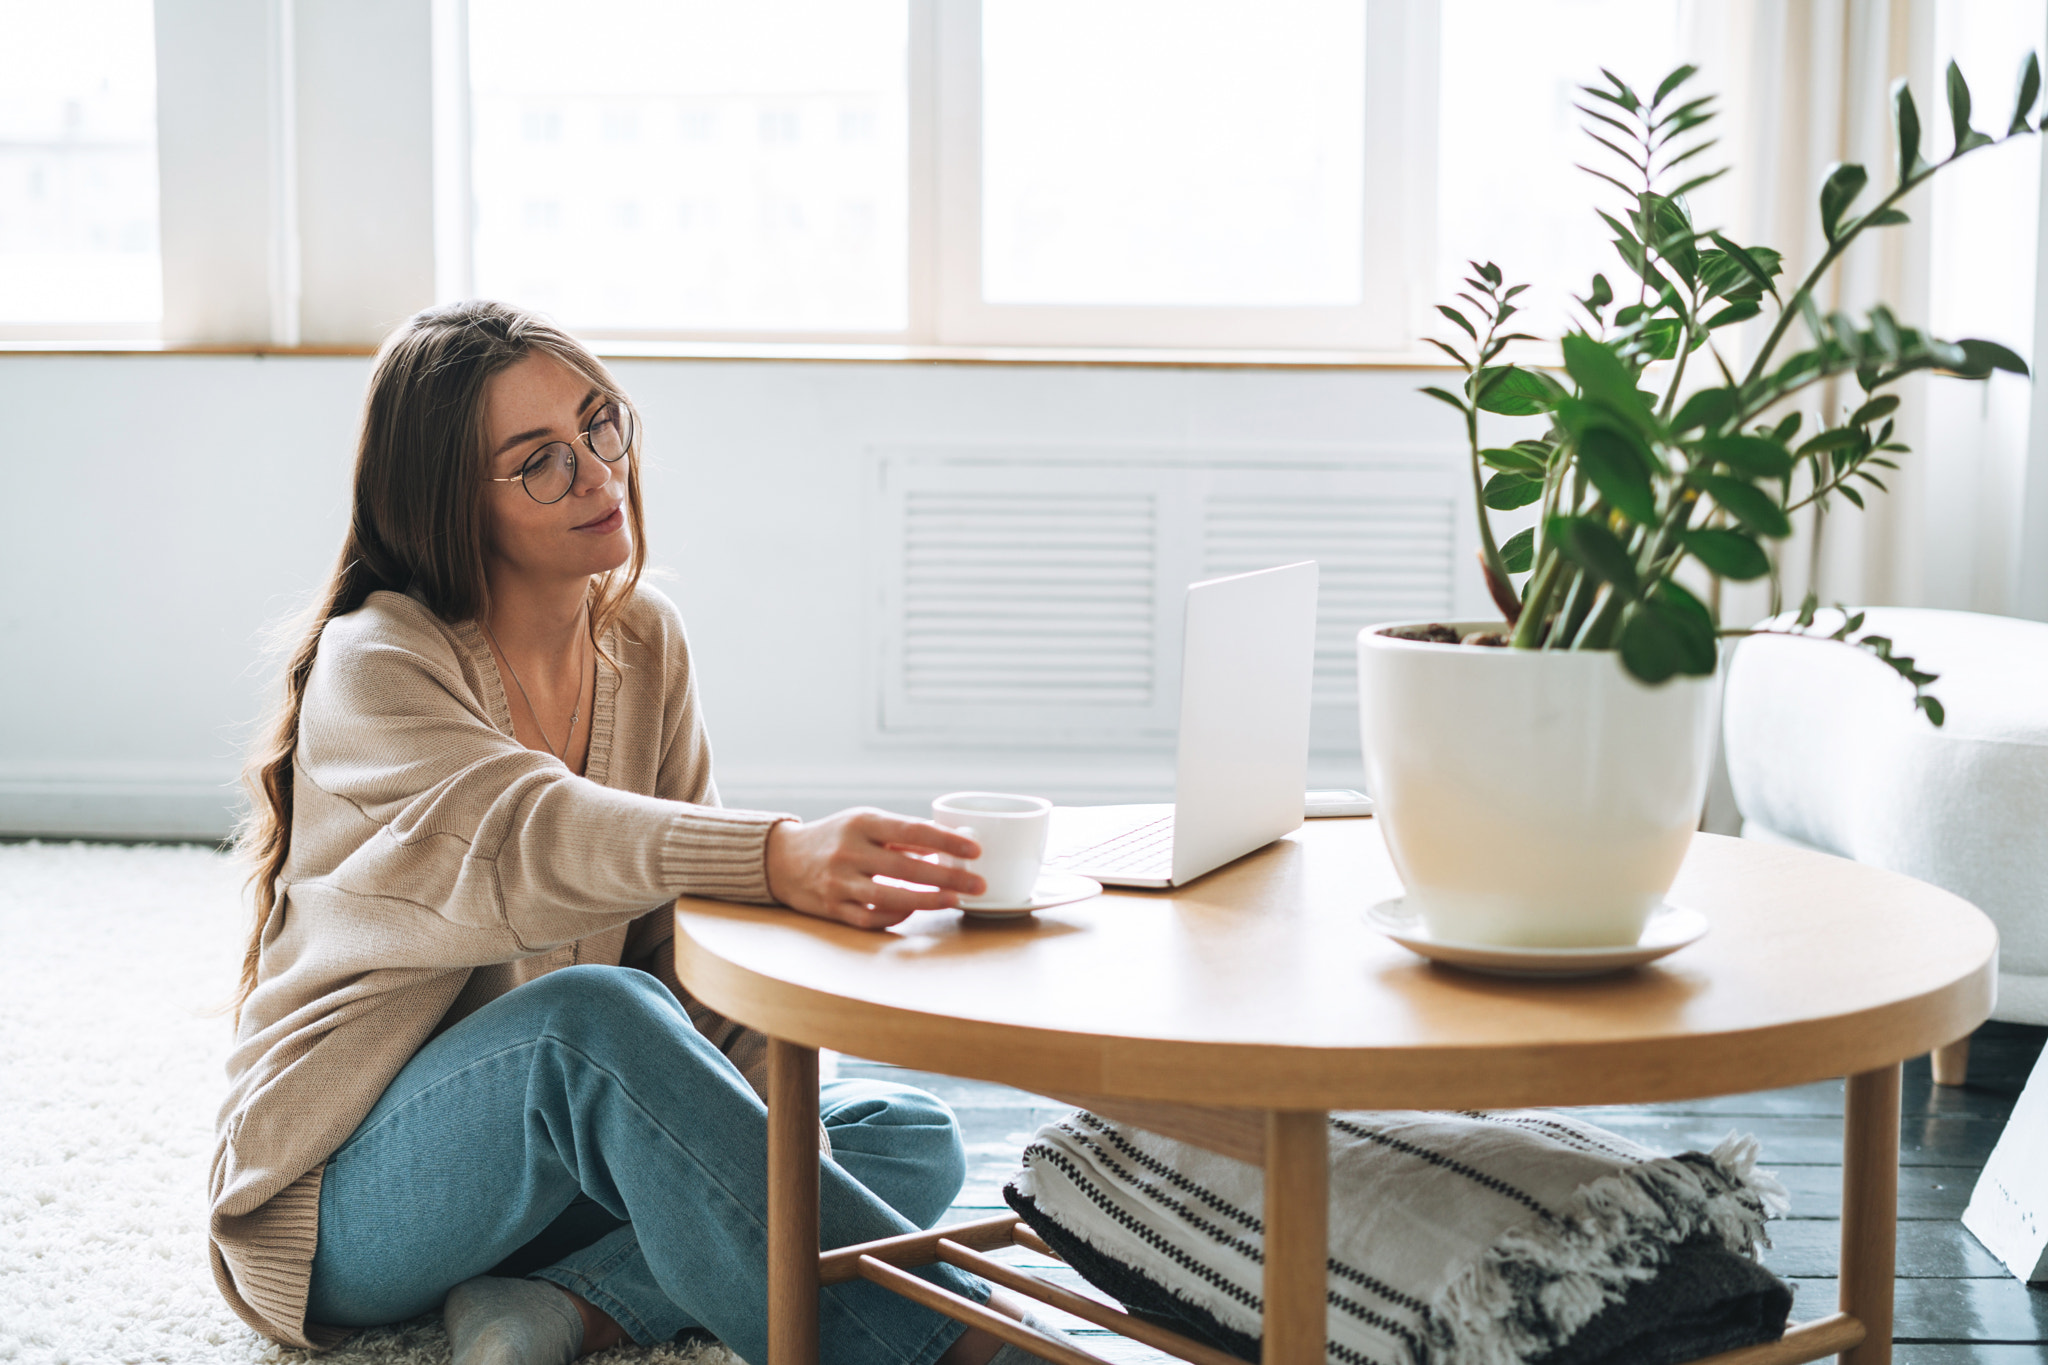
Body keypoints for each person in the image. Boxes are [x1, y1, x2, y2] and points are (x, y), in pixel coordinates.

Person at [213, 301, 1062, 1365]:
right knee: (589, 1022)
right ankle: (958, 1350)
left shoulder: (644, 638)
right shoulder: (378, 661)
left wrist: (754, 1132)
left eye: (599, 425)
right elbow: (528, 831)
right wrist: (773, 855)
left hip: (550, 1180)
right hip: (356, 1197)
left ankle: (567, 1307)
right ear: (449, 504)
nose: (598, 474)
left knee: (901, 1132)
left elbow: (684, 942)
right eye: (539, 463)